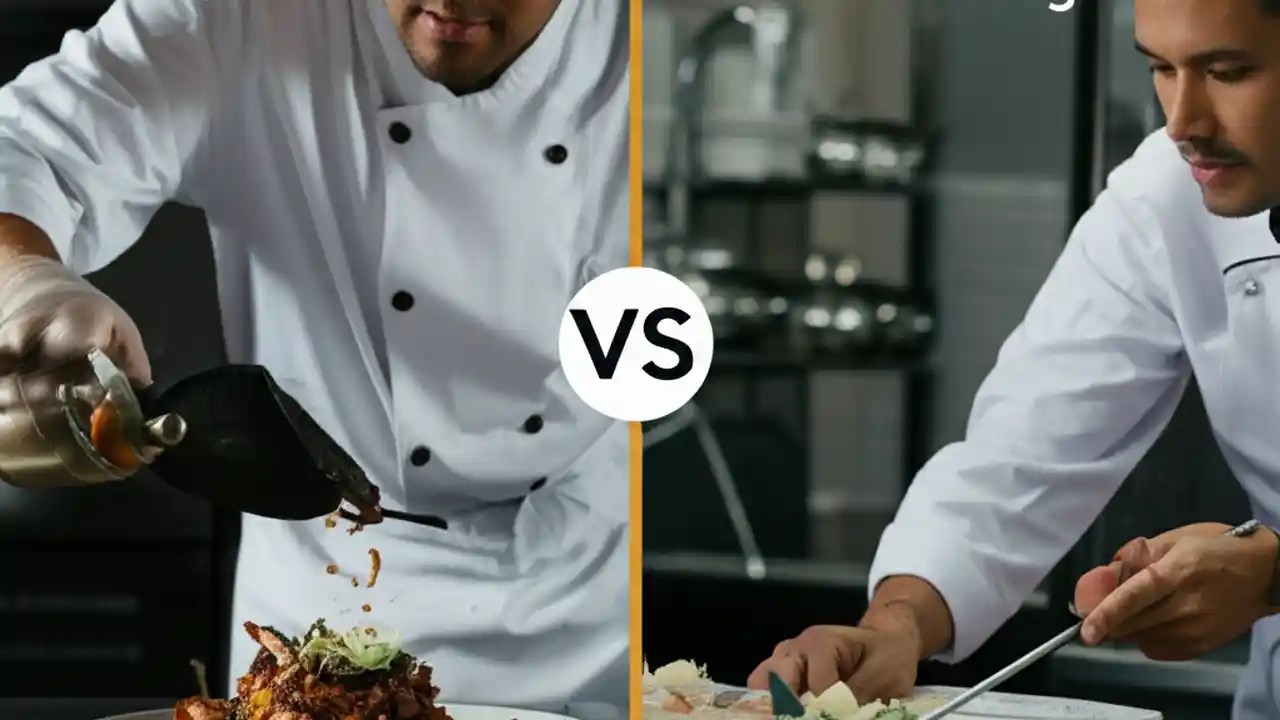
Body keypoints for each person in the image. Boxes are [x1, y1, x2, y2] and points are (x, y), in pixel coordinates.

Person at [0, 0, 629, 716]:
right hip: (321, 633)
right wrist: (23, 277)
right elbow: (24, 146)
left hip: (589, 618)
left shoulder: (639, 48)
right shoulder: (246, 17)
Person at [748, 0, 1280, 717]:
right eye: (1160, 68)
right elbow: (1020, 460)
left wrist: (1272, 576)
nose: (1184, 122)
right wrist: (897, 622)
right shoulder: (1169, 192)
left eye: (1227, 71)